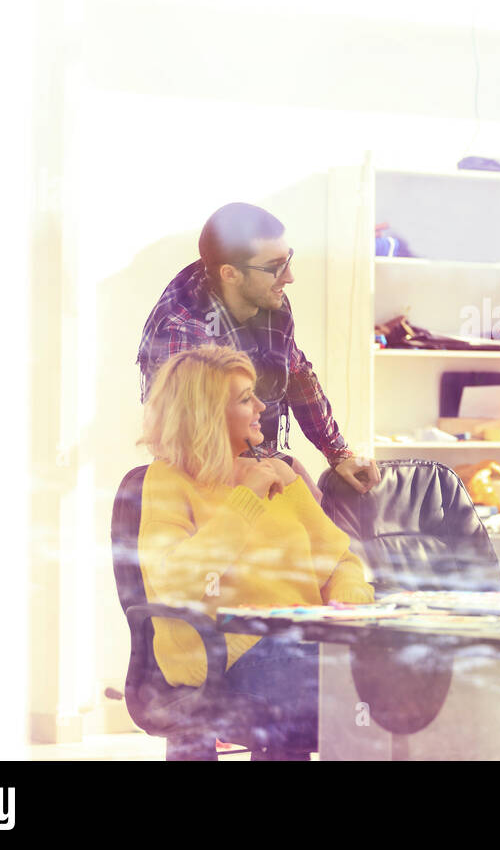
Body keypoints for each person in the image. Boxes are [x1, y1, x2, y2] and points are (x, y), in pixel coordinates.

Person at [137, 345, 375, 755]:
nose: (262, 406)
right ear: (208, 414)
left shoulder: (277, 472)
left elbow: (340, 559)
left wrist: (347, 608)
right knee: (366, 690)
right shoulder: (168, 481)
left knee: (411, 672)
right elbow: (176, 581)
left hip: (304, 641)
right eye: (246, 398)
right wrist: (245, 501)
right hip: (227, 655)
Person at [137, 202, 380, 493]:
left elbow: (298, 376)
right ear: (230, 274)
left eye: (287, 259)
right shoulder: (183, 330)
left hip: (257, 458)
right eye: (275, 267)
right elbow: (185, 442)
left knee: (320, 522)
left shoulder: (269, 299)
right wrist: (272, 472)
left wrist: (338, 453)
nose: (289, 277)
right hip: (201, 479)